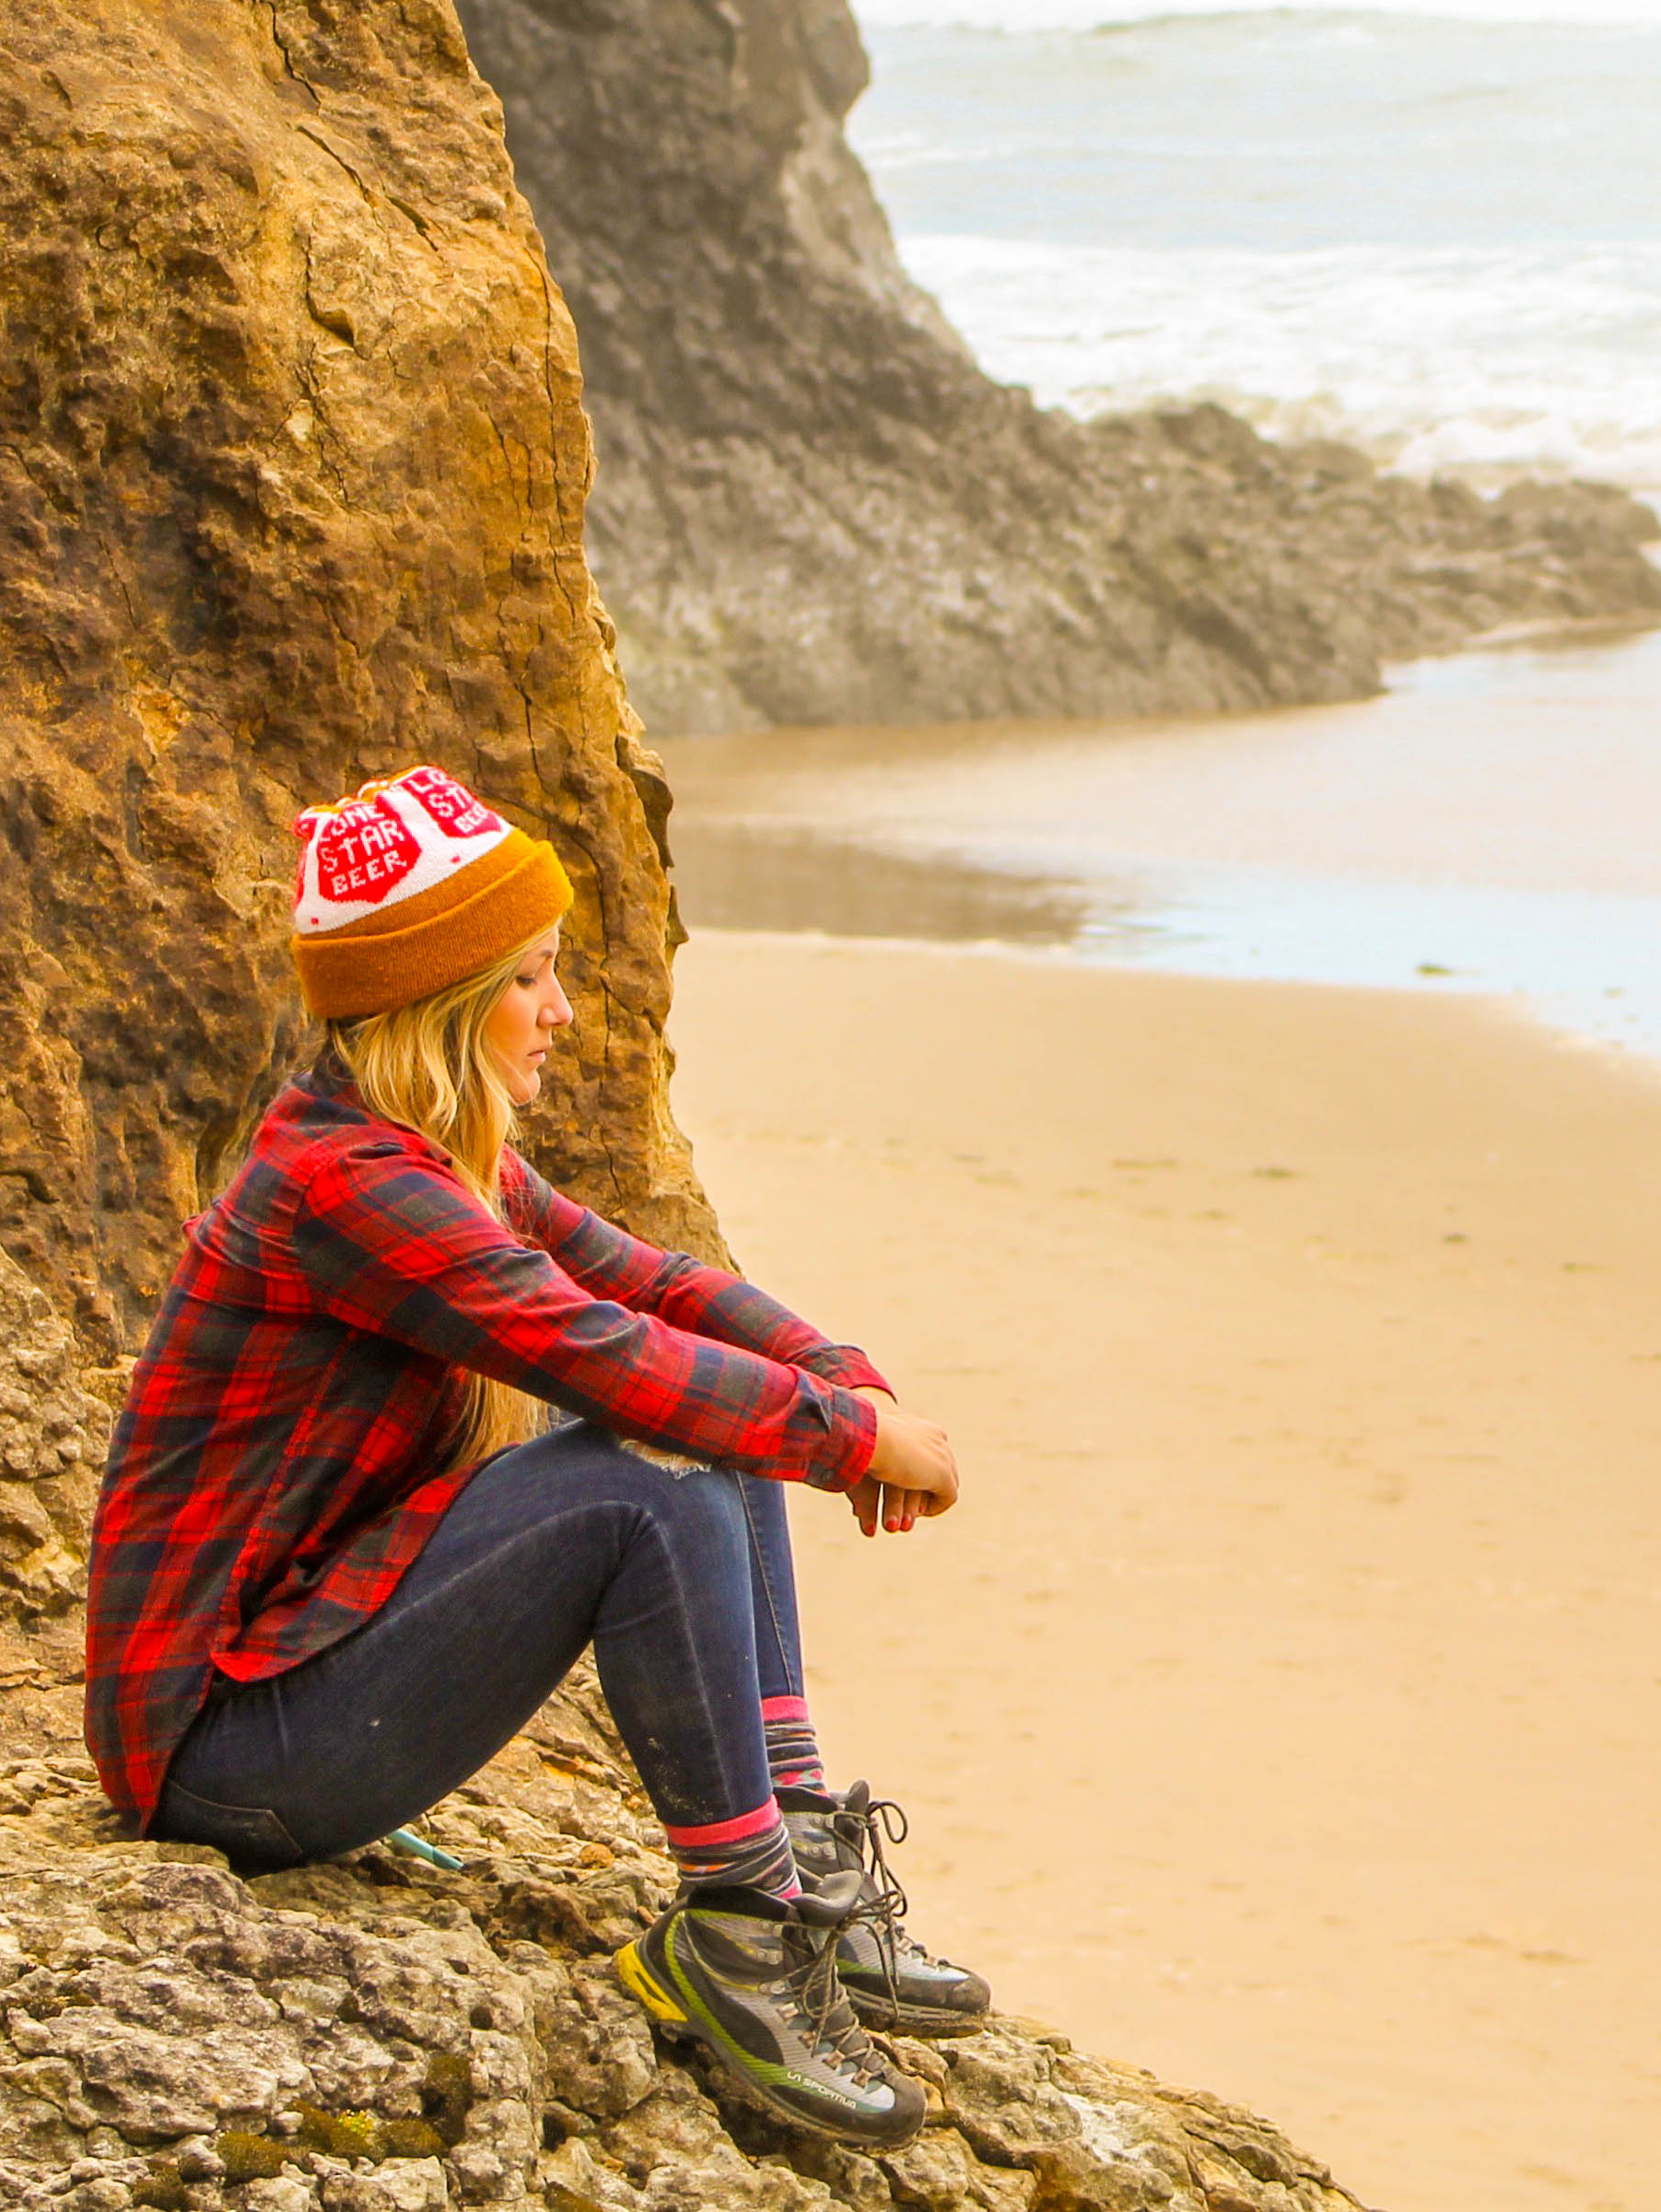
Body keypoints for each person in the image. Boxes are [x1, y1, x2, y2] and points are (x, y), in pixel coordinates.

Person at [85, 765, 987, 2148]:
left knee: (705, 1426)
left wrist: (837, 1373)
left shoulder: (432, 1157)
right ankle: (737, 1930)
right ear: (440, 1004)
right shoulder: (349, 1188)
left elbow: (652, 1284)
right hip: (224, 1752)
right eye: (530, 980)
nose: (560, 1011)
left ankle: (794, 1867)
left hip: (301, 1671)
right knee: (650, 1470)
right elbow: (592, 1351)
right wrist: (850, 1439)